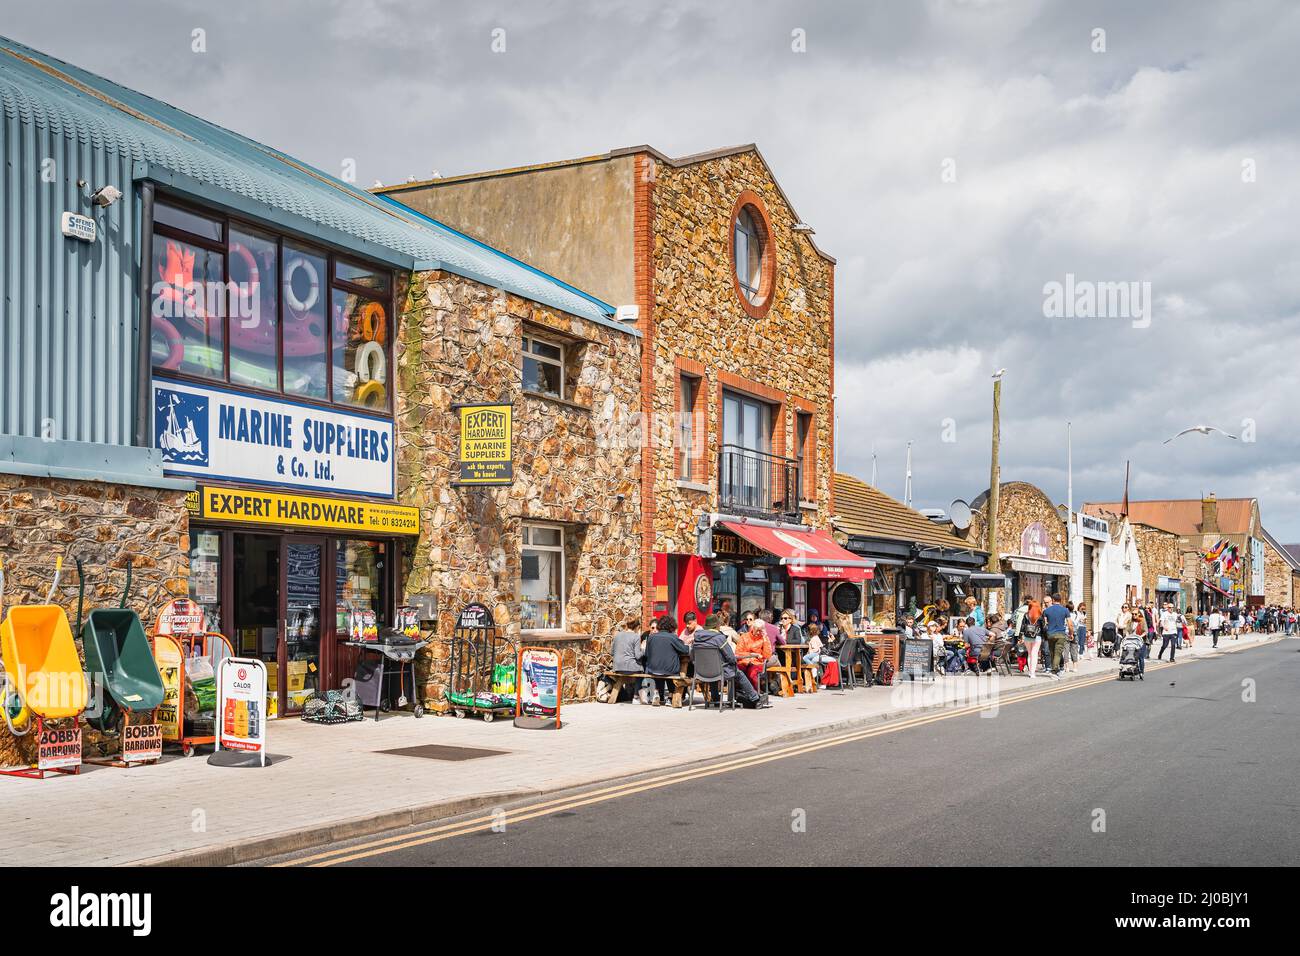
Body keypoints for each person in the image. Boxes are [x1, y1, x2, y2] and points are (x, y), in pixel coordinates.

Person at [691, 614, 764, 708]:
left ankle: (716, 699)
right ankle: (755, 699)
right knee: (739, 674)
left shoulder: (696, 638)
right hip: (720, 671)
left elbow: (692, 655)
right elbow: (730, 657)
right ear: (717, 626)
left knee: (714, 668)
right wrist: (733, 663)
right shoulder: (719, 638)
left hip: (701, 672)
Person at [643, 616, 691, 706]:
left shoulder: (651, 638)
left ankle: (656, 693)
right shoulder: (673, 637)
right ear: (672, 626)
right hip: (670, 670)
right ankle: (670, 696)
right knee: (670, 669)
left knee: (659, 669)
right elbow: (685, 650)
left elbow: (646, 654)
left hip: (653, 669)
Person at [734, 619, 772, 696]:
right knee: (736, 671)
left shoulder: (764, 638)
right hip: (744, 661)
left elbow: (767, 656)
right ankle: (738, 695)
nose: (758, 633)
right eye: (757, 630)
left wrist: (765, 639)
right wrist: (750, 654)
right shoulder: (744, 637)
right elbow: (738, 653)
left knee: (753, 673)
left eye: (760, 631)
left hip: (757, 662)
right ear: (753, 628)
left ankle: (754, 695)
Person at [1042, 593, 1072, 677]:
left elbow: (1045, 624)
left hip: (1050, 634)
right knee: (1058, 653)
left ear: (1053, 600)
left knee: (1052, 652)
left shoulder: (1046, 611)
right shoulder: (1065, 610)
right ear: (1060, 600)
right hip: (1061, 634)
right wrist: (1071, 633)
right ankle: (1054, 670)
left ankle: (1055, 669)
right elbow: (1070, 624)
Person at [1018, 599, 1045, 677]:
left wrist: (1020, 636)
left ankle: (1030, 671)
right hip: (1037, 635)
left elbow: (1022, 626)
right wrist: (1044, 636)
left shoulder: (1026, 615)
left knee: (1030, 654)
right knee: (1034, 654)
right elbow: (1043, 627)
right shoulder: (1040, 615)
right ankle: (1032, 673)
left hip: (1027, 636)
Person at [1073, 602, 1088, 668]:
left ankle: (1081, 653)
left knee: (1082, 641)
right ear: (1079, 607)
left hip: (1083, 627)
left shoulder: (1084, 613)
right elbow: (1074, 620)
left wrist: (1084, 621)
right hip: (1078, 627)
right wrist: (1080, 620)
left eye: (1084, 608)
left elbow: (1085, 621)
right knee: (1077, 641)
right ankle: (1076, 654)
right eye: (1082, 608)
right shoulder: (1076, 613)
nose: (1083, 609)